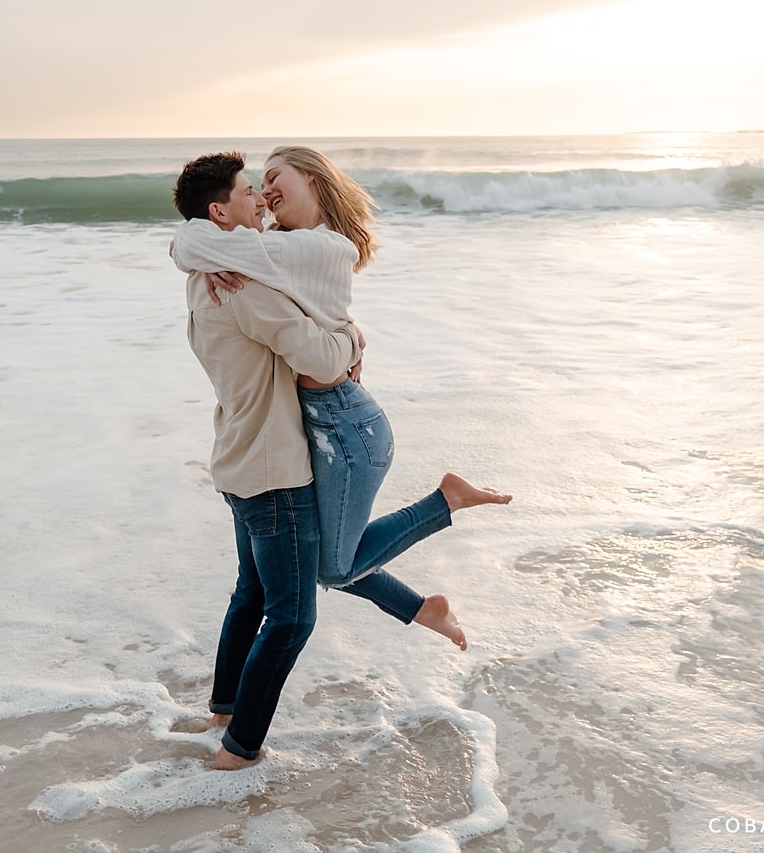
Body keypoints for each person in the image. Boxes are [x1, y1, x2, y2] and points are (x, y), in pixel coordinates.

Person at [172, 145, 511, 652]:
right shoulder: (279, 245)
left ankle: (446, 502)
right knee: (323, 562)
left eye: (274, 177)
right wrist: (208, 254)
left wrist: (212, 253)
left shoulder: (318, 247)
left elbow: (195, 243)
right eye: (257, 185)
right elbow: (191, 243)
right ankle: (425, 607)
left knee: (331, 567)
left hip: (346, 423)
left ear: (311, 176)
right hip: (318, 419)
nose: (264, 192)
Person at [172, 151, 364, 771]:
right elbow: (325, 361)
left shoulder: (207, 280)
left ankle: (224, 710)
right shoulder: (247, 291)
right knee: (292, 616)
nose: (260, 200)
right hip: (275, 469)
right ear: (219, 212)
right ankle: (239, 749)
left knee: (251, 593)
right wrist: (356, 337)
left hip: (238, 456)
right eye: (247, 192)